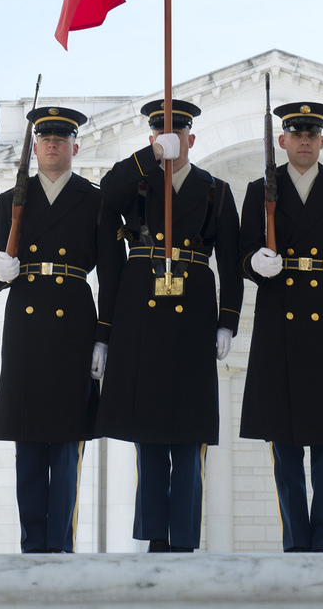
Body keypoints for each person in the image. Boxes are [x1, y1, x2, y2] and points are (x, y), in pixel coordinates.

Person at [94, 98, 243, 552]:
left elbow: (232, 263)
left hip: (194, 317)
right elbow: (103, 196)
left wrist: (227, 323)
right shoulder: (137, 185)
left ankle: (184, 540)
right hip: (142, 316)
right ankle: (157, 536)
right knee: (149, 439)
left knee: (189, 440)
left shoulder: (215, 189)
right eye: (161, 134)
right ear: (153, 138)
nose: (171, 139)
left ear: (192, 139)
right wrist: (150, 158)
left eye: (177, 134)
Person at [0, 105, 124, 554]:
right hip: (26, 323)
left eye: (60, 139)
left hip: (73, 326)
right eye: (45, 138)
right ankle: (32, 544)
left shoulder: (96, 199)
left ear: (74, 147)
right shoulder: (12, 200)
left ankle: (60, 543)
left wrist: (104, 335)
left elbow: (113, 275)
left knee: (66, 441)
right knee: (27, 441)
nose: (51, 144)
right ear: (36, 146)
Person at [239, 101, 323, 553]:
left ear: (321, 141)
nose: (302, 140)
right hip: (279, 315)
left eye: (311, 133)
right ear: (281, 140)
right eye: (295, 133)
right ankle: (295, 539)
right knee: (284, 440)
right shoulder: (260, 190)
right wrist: (255, 262)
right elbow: (243, 250)